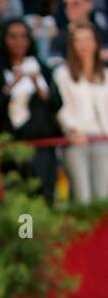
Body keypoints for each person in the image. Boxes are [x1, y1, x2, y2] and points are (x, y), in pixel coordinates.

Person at [0, 17, 62, 202]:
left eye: (23, 36)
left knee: (44, 197)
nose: (19, 41)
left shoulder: (42, 68)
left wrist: (38, 85)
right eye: (13, 37)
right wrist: (11, 85)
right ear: (4, 40)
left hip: (41, 145)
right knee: (16, 199)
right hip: (12, 145)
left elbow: (56, 104)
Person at [54, 23, 108, 202]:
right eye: (78, 40)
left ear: (96, 43)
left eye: (88, 39)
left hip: (103, 139)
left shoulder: (106, 74)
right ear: (72, 45)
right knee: (82, 197)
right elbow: (61, 106)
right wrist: (70, 129)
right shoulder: (63, 73)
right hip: (76, 140)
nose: (83, 44)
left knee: (103, 197)